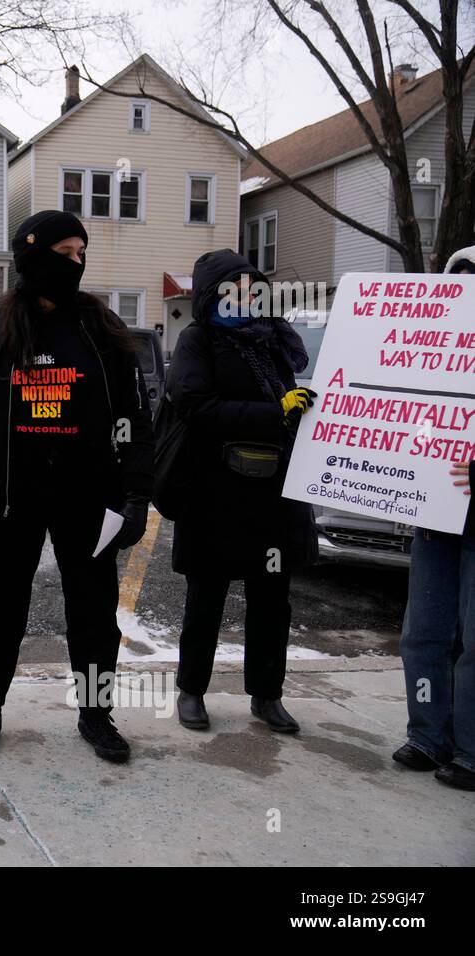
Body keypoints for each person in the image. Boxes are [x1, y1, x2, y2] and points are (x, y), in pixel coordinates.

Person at [0, 210, 152, 764]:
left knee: (93, 611)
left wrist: (135, 495)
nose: (77, 263)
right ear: (31, 254)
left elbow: (133, 421)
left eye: (82, 253)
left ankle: (96, 713)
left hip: (87, 499)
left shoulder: (102, 330)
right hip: (11, 498)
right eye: (65, 253)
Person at [167, 249, 317, 735]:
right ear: (212, 296)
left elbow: (296, 404)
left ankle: (267, 696)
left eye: (253, 288)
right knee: (206, 599)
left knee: (273, 600)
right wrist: (276, 413)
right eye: (235, 289)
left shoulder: (273, 340)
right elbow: (196, 406)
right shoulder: (197, 341)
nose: (247, 297)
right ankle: (192, 691)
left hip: (274, 494)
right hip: (214, 493)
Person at [392, 244, 475, 791]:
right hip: (437, 515)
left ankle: (469, 749)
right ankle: (428, 734)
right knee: (423, 632)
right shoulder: (431, 351)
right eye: (459, 283)